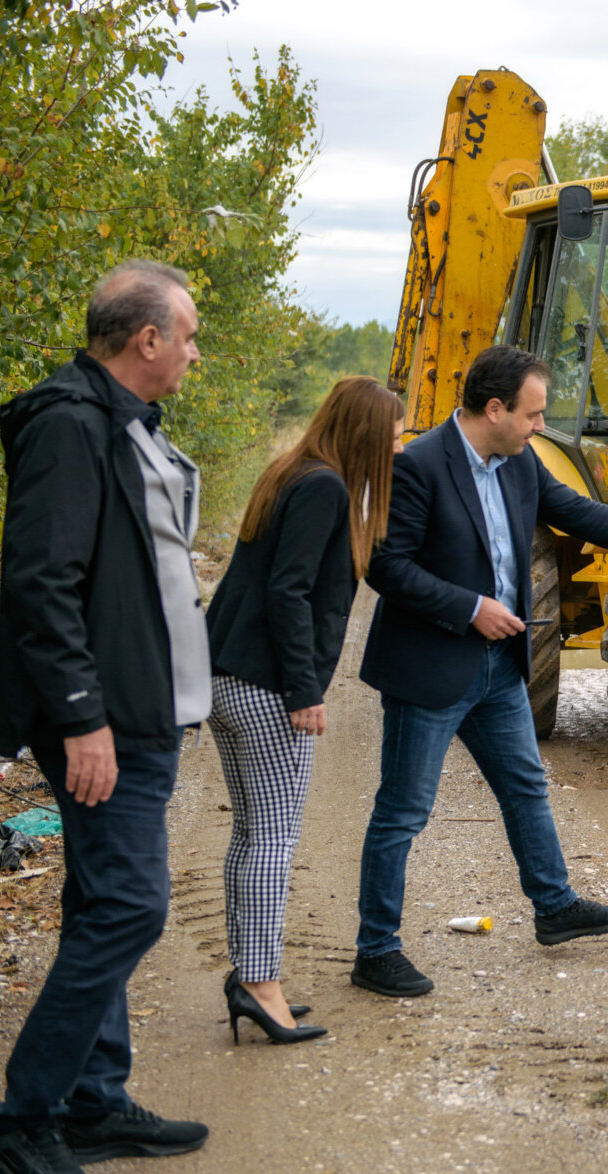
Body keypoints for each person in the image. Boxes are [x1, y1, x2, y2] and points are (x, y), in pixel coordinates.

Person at [350, 344, 608, 997]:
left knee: (527, 787)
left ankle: (554, 908)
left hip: (499, 669)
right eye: (531, 414)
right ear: (494, 408)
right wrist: (471, 607)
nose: (538, 426)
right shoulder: (418, 466)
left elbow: (581, 513)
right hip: (430, 669)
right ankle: (375, 949)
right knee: (403, 811)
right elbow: (386, 568)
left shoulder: (519, 461)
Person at [0, 260, 211, 1174]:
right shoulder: (71, 426)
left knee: (96, 903)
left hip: (143, 709)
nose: (194, 351)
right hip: (106, 721)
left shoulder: (120, 423)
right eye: (186, 334)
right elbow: (41, 585)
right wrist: (83, 722)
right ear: (144, 339)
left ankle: (92, 1100)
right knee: (129, 908)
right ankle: (21, 1123)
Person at [204, 377, 406, 1044]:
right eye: (394, 434)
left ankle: (250, 977)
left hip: (228, 678)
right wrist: (305, 691)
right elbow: (289, 592)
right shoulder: (325, 487)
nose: (399, 445)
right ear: (366, 435)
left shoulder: (289, 472)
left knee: (250, 835)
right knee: (272, 839)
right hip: (267, 689)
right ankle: (262, 986)